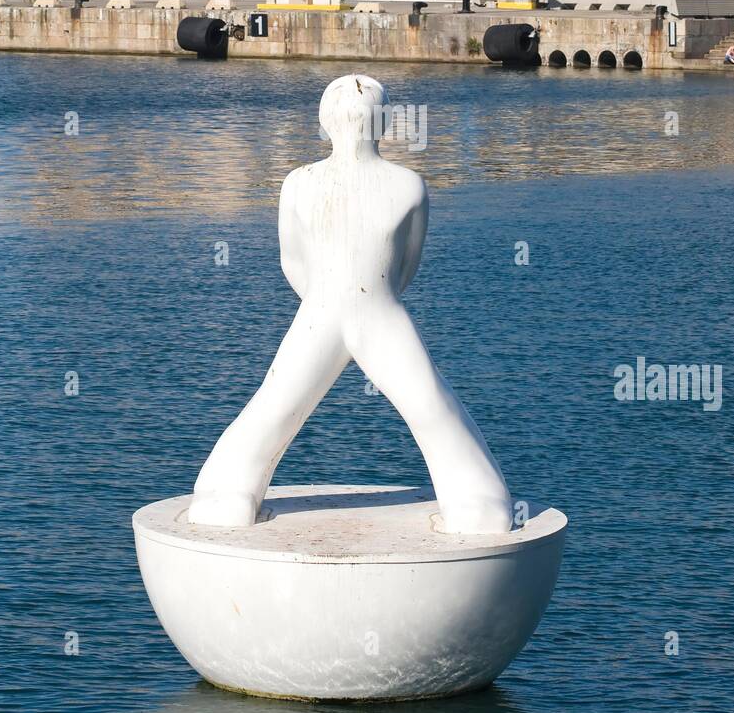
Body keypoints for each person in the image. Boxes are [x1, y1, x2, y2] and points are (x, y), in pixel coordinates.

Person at [188, 74, 514, 535]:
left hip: (318, 311)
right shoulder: (410, 185)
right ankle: (477, 502)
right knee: (430, 405)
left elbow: (292, 262)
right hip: (382, 312)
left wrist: (324, 302)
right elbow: (407, 266)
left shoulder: (297, 183)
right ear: (384, 123)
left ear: (324, 122)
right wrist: (373, 303)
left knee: (277, 403)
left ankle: (226, 493)